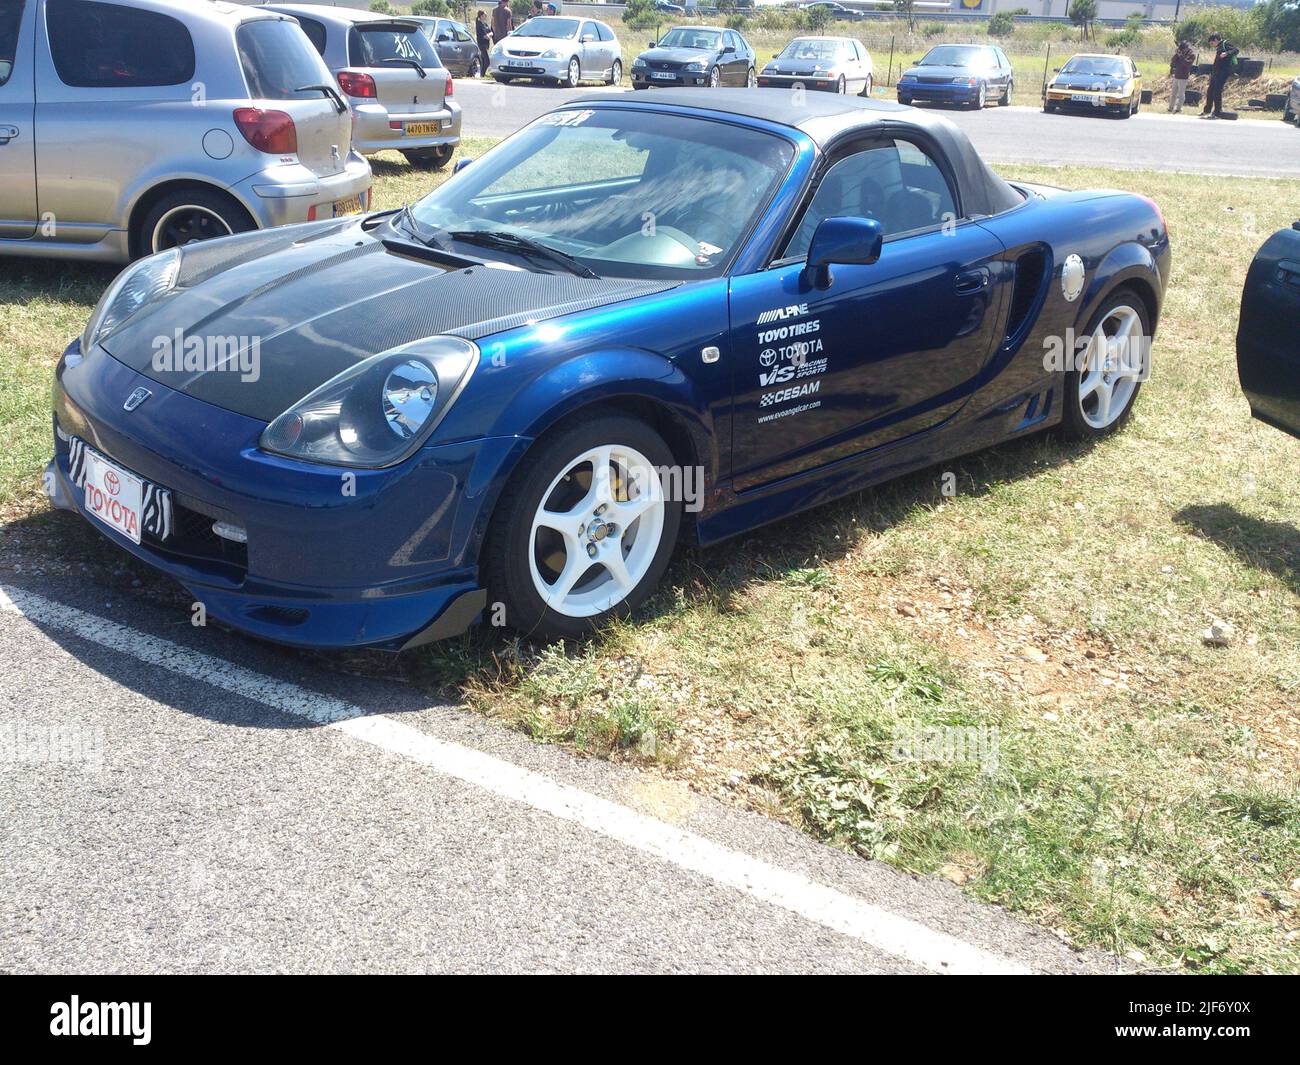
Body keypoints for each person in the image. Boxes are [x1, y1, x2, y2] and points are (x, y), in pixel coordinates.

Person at [1200, 32, 1238, 119]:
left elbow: (1236, 50)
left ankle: (1217, 112)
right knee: (1210, 91)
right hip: (1216, 73)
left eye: (1212, 43)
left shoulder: (1225, 44)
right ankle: (1207, 110)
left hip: (1223, 72)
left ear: (1216, 40)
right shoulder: (1219, 47)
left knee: (1217, 92)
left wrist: (1226, 53)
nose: (1212, 45)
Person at [1168, 38, 1194, 113]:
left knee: (1181, 94)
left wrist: (1181, 56)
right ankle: (1171, 107)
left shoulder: (1191, 55)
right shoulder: (1180, 53)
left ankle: (1179, 108)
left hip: (1184, 77)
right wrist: (1177, 54)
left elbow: (1186, 64)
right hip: (1177, 75)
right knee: (1173, 93)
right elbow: (1173, 62)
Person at [475, 9, 492, 74]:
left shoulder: (485, 24)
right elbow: (485, 36)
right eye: (485, 15)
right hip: (482, 44)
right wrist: (488, 35)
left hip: (486, 44)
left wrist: (489, 35)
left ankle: (482, 74)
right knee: (487, 61)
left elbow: (491, 32)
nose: (486, 16)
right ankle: (482, 73)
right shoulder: (479, 24)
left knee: (483, 61)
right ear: (481, 16)